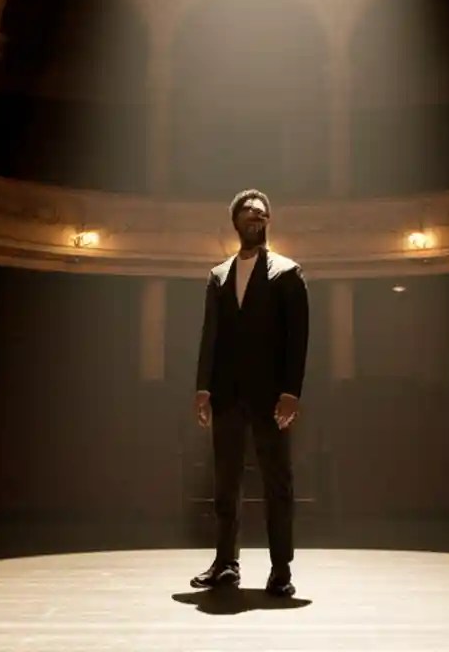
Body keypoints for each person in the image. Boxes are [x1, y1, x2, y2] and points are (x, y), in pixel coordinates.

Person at [190, 188, 309, 597]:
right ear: (236, 222)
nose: (255, 217)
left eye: (261, 213)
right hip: (225, 394)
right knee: (225, 482)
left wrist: (291, 392)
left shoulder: (288, 273)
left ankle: (281, 569)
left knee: (277, 482)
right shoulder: (218, 274)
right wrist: (202, 388)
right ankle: (226, 564)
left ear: (268, 221)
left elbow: (298, 339)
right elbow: (211, 336)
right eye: (248, 212)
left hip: (270, 396)